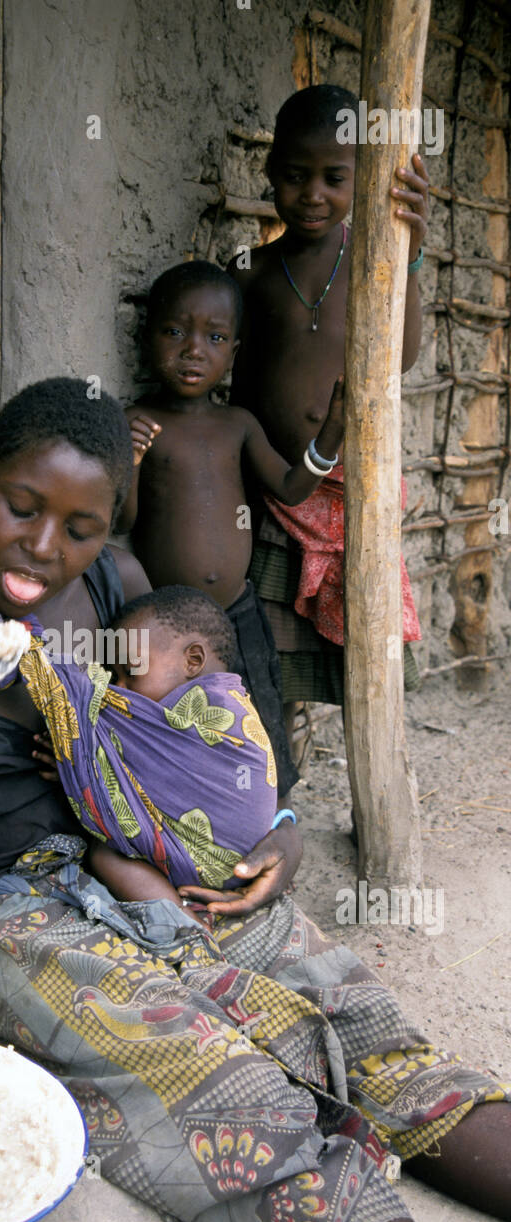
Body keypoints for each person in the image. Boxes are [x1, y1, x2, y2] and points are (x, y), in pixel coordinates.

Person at [0, 376, 509, 1222]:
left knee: (360, 1019)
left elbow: (202, 725)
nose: (42, 547)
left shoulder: (110, 590)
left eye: (81, 526)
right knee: (232, 1094)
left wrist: (282, 831)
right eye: (21, 507)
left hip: (149, 852)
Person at [228, 84, 428, 761]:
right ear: (270, 173)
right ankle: (271, 780)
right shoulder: (254, 273)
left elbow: (400, 355)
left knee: (360, 654)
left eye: (334, 177)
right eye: (294, 175)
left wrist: (412, 249)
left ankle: (374, 780)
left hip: (348, 494)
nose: (312, 192)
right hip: (281, 492)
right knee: (271, 651)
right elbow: (238, 385)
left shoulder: (375, 263)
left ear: (359, 180)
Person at [114, 258, 344, 803]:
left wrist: (330, 435)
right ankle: (188, 814)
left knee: (258, 704)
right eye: (174, 331)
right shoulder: (139, 422)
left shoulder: (237, 424)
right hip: (169, 615)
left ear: (233, 353)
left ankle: (273, 813)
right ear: (147, 337)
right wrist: (132, 461)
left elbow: (290, 488)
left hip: (238, 609)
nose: (193, 349)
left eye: (214, 337)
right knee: (175, 718)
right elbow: (123, 523)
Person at [20, 584, 278, 908]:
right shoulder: (233, 707)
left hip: (209, 861)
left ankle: (183, 923)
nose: (120, 690)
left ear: (193, 660)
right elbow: (153, 777)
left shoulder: (213, 710)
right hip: (241, 865)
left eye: (130, 671)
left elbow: (144, 768)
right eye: (114, 677)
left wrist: (82, 759)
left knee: (104, 855)